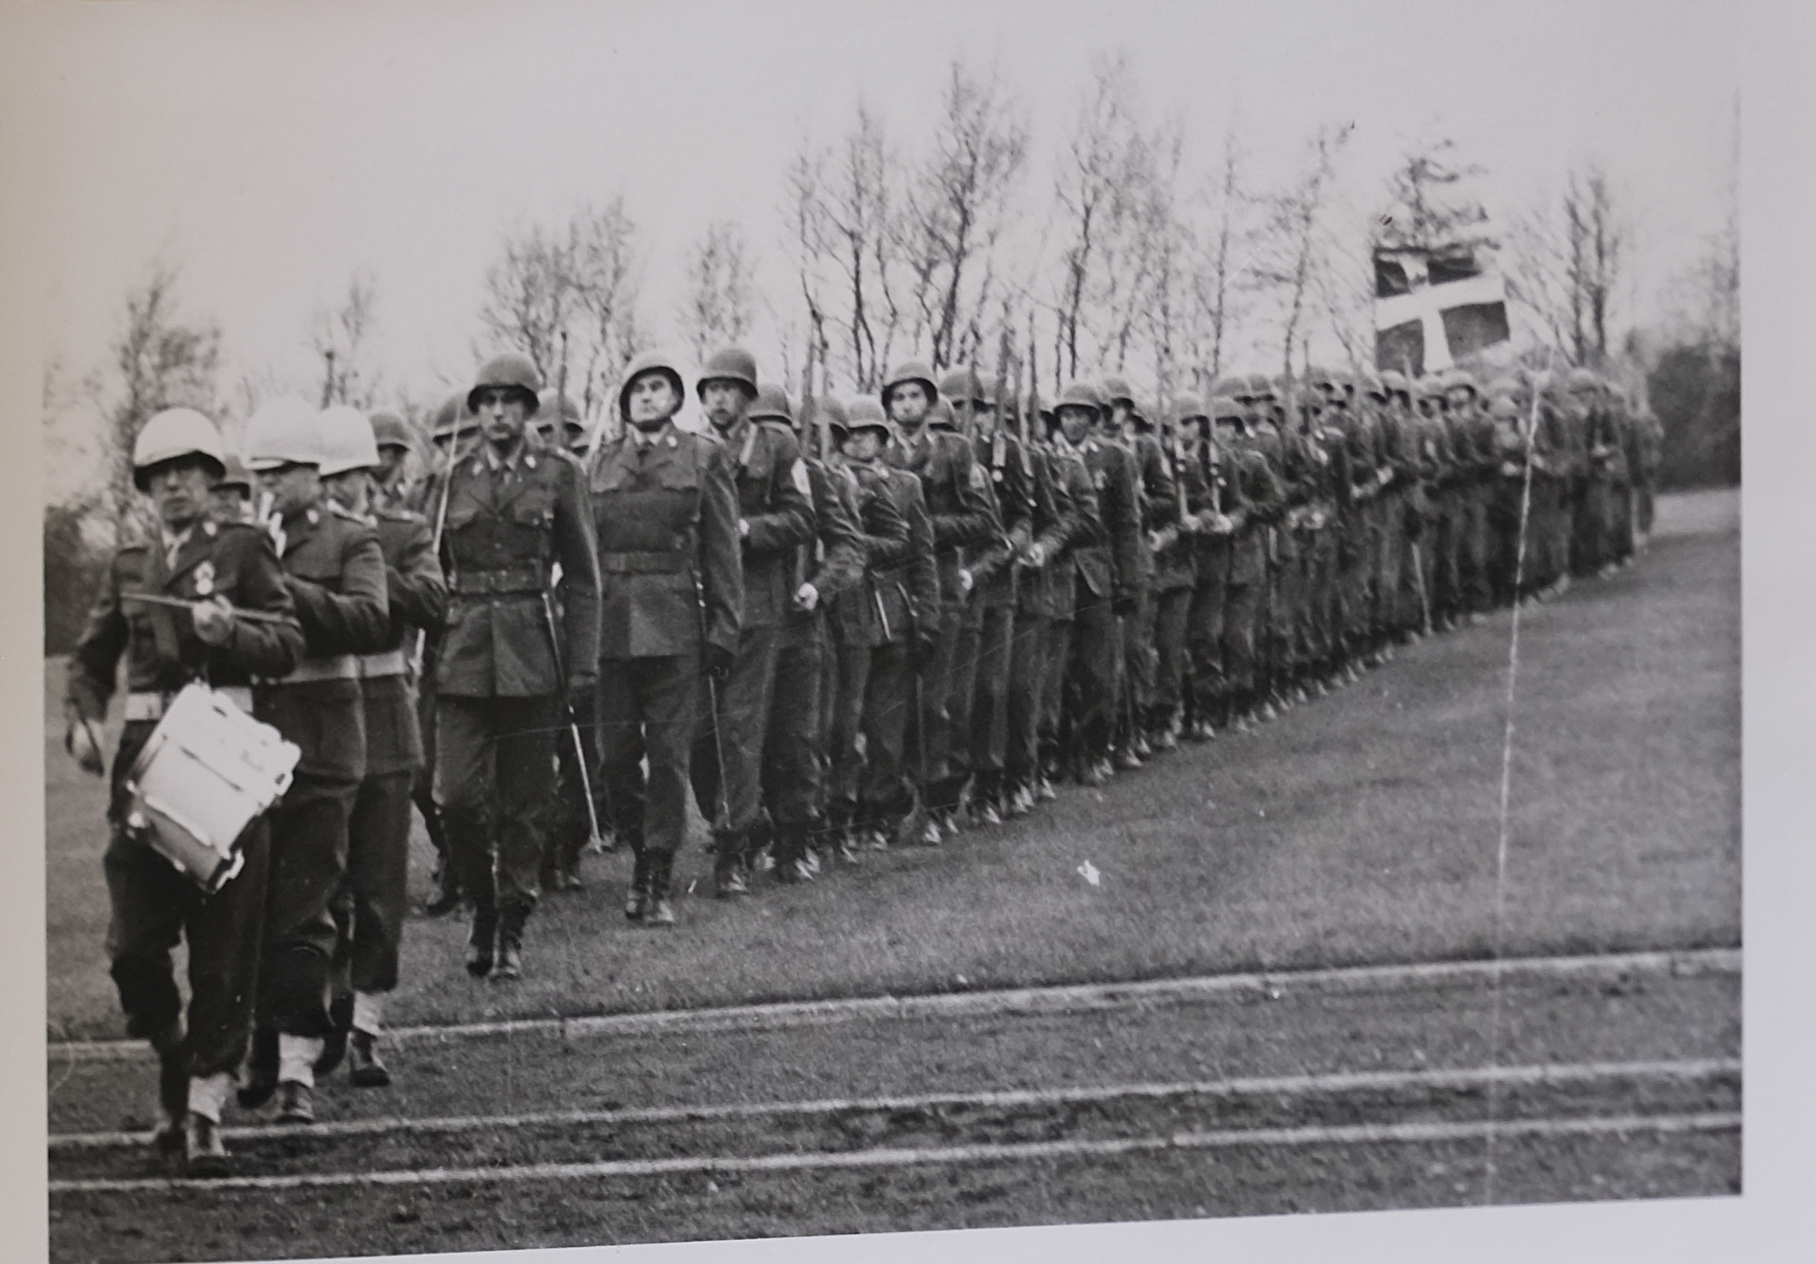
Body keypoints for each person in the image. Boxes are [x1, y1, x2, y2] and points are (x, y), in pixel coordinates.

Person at [65, 407, 303, 1176]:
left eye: (188, 472)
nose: (173, 486)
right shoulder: (130, 561)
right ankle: (175, 1054)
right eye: (159, 476)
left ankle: (204, 1104)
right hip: (143, 772)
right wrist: (82, 719)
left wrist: (227, 632)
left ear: (211, 479)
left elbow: (289, 641)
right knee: (134, 945)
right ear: (145, 487)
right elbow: (93, 655)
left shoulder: (243, 548)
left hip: (223, 769)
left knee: (225, 950)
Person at [237, 396, 390, 1126]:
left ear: (313, 474)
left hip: (325, 741)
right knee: (250, 903)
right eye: (258, 472)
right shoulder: (236, 541)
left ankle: (297, 1065)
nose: (267, 486)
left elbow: (369, 619)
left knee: (308, 900)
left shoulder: (352, 540)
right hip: (249, 744)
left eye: (281, 473)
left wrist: (279, 587)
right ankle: (267, 1038)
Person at [429, 353, 599, 979]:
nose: (497, 413)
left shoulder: (559, 474)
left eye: (510, 401)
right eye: (487, 401)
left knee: (529, 798)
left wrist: (583, 665)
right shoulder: (448, 480)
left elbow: (583, 578)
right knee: (457, 798)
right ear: (474, 410)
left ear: (530, 408)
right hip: (464, 651)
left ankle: (513, 921)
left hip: (533, 650)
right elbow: (428, 571)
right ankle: (480, 903)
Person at [315, 405, 445, 1087]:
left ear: (372, 471)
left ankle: (367, 1023)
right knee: (324, 883)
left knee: (379, 887)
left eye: (348, 474)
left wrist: (369, 572)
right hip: (325, 726)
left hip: (387, 718)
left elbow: (434, 600)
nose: (337, 487)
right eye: (325, 476)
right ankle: (331, 1004)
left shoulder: (404, 530)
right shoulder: (303, 541)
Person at [590, 349, 741, 925]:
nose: (647, 397)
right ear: (625, 400)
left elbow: (724, 552)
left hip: (676, 626)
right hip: (610, 628)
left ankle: (654, 874)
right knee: (615, 762)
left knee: (670, 758)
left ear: (676, 398)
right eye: (638, 389)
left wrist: (724, 629)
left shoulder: (704, 457)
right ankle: (639, 852)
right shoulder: (599, 464)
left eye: (659, 387)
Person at [689, 347, 816, 895]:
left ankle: (734, 848)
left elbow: (803, 517)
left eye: (728, 388)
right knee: (697, 735)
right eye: (709, 389)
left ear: (747, 395)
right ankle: (743, 822)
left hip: (758, 604)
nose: (718, 398)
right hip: (696, 605)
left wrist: (746, 531)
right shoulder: (688, 452)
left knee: (742, 729)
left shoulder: (778, 447)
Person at [882, 361, 999, 841]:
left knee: (936, 702)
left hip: (943, 588)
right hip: (891, 590)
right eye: (899, 397)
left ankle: (938, 804)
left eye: (916, 396)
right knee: (891, 705)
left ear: (930, 403)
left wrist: (927, 529)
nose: (908, 405)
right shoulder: (878, 453)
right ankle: (890, 804)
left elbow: (982, 522)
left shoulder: (955, 450)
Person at [761, 387, 865, 880]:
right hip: (741, 626)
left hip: (801, 626)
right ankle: (749, 830)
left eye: (778, 426)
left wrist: (818, 586)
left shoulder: (814, 478)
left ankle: (793, 842)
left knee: (799, 742)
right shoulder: (722, 474)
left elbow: (849, 547)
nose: (769, 436)